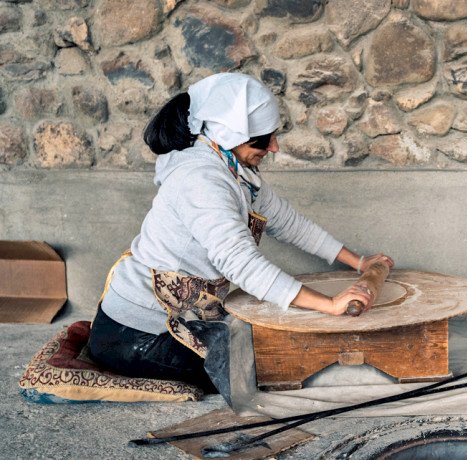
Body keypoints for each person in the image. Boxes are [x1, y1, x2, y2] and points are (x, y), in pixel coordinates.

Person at [87, 73, 394, 390]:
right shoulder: (200, 178)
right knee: (265, 366)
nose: (273, 147)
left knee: (279, 350)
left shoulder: (236, 169)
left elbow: (287, 222)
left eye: (273, 136)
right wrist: (330, 305)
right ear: (228, 133)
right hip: (138, 334)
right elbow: (240, 263)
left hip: (183, 317)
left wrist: (358, 263)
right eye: (262, 140)